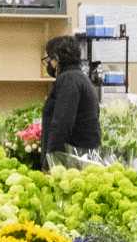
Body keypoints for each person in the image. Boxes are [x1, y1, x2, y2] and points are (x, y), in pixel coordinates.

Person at [40, 33, 101, 164]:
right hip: (83, 156)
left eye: (49, 59)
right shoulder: (80, 77)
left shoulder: (68, 80)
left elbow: (62, 123)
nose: (48, 64)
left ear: (57, 59)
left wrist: (51, 161)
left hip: (72, 159)